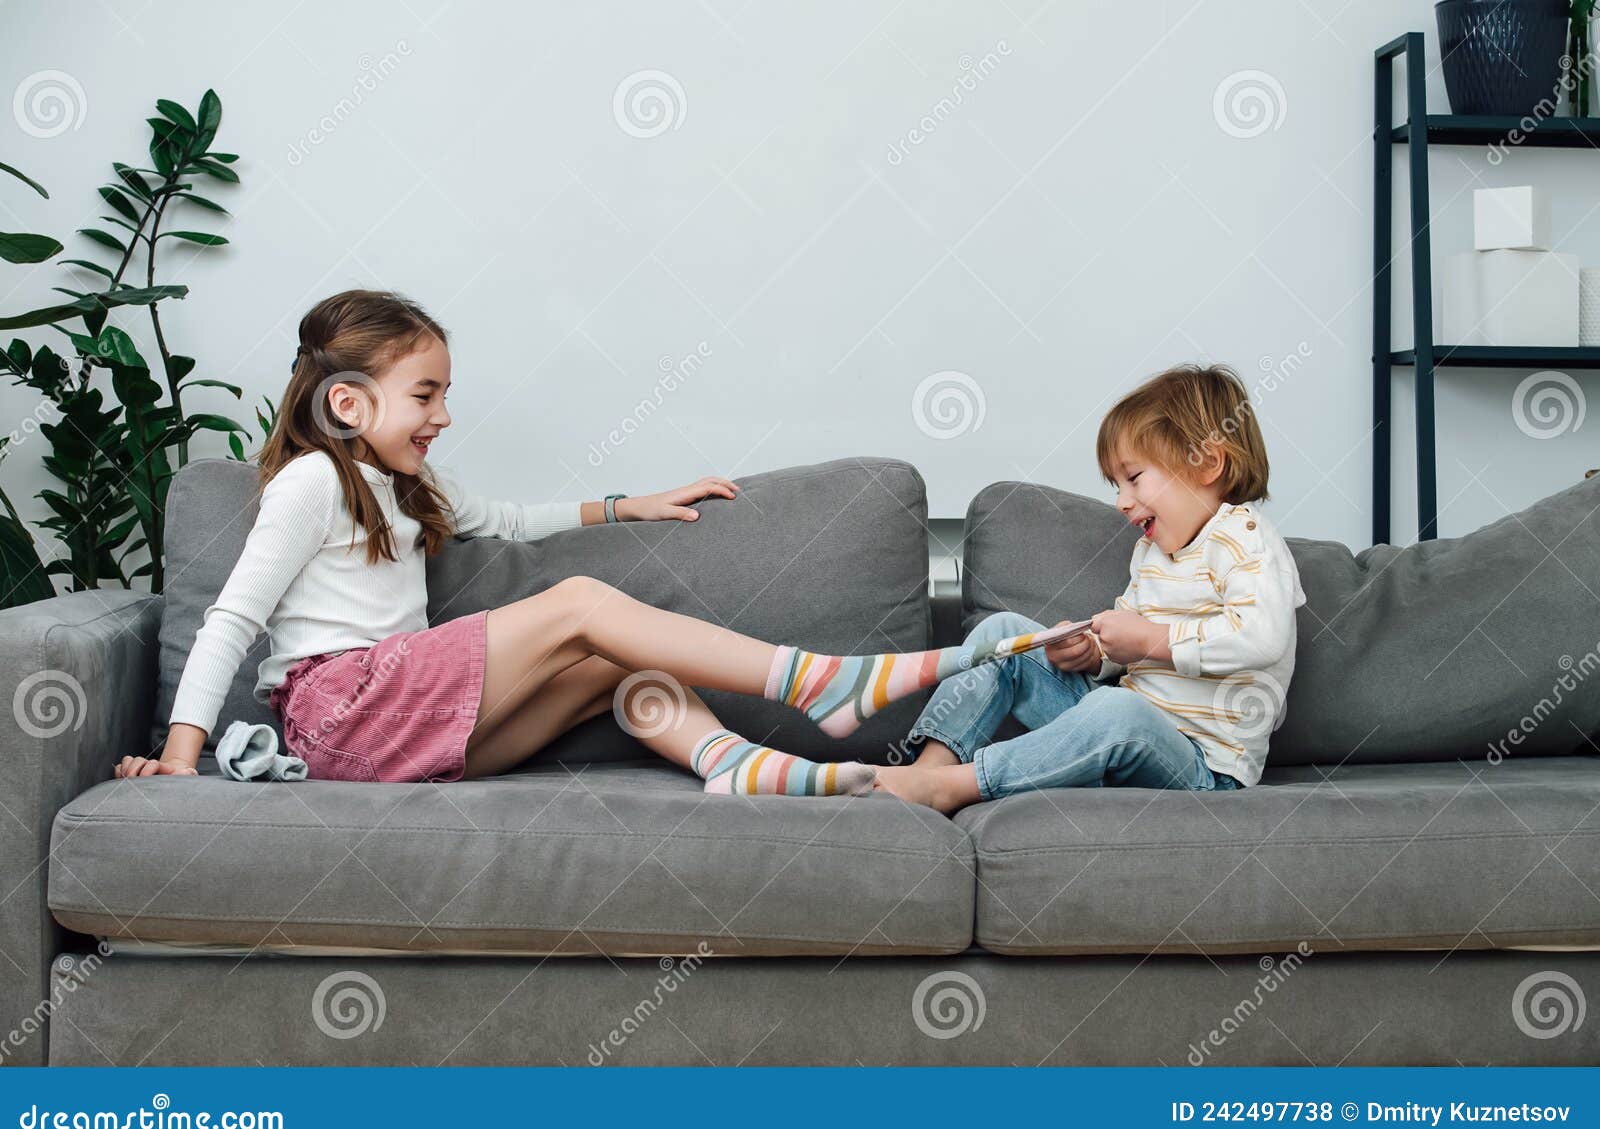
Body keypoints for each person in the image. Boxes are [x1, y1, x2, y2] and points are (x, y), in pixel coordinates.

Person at [115, 289, 1066, 794]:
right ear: (347, 402)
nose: (445, 411)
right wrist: (181, 752)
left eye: (445, 391)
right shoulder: (317, 481)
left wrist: (630, 504)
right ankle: (812, 679)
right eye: (426, 394)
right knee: (577, 607)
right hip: (342, 713)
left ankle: (738, 767)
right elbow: (232, 616)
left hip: (404, 735)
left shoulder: (402, 484)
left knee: (616, 669)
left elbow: (512, 520)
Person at [874, 364, 1307, 813]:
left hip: (1203, 767)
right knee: (1002, 633)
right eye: (1117, 485)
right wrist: (1094, 654)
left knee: (1122, 714)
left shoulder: (1248, 540)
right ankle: (927, 772)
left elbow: (1261, 638)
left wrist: (1151, 640)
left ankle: (959, 784)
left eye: (1134, 479)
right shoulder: (1152, 553)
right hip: (1119, 732)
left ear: (1208, 464)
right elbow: (1125, 645)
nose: (1121, 501)